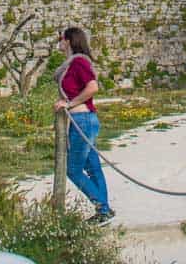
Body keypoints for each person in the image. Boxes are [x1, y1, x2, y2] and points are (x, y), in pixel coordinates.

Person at [53, 26, 114, 225]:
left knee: (73, 169)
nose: (59, 42)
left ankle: (102, 208)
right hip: (83, 120)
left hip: (83, 120)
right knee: (93, 167)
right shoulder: (72, 63)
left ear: (69, 40)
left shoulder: (79, 61)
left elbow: (93, 87)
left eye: (61, 38)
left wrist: (69, 103)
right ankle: (104, 210)